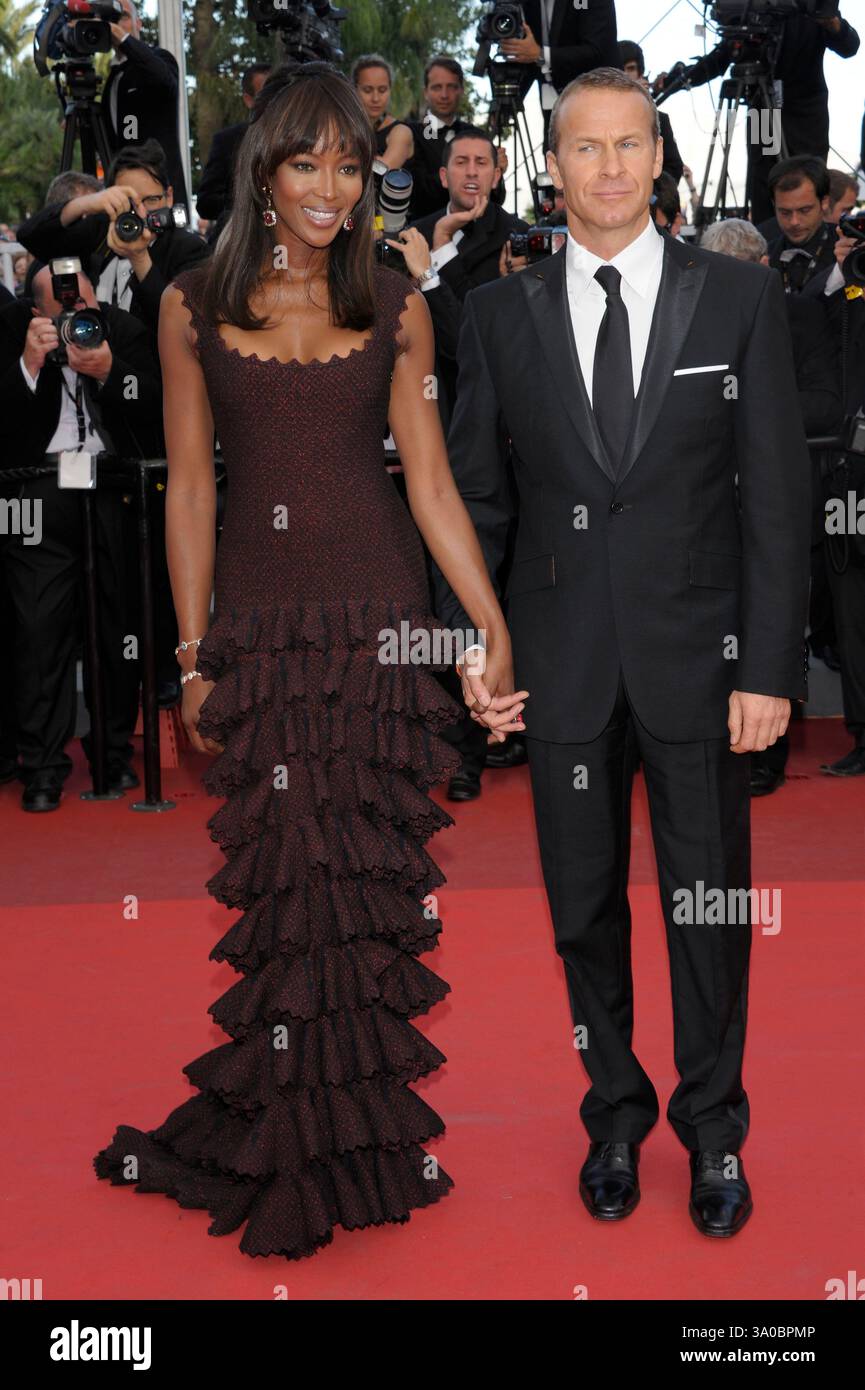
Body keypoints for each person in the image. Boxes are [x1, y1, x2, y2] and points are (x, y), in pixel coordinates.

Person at [92, 62, 526, 1260]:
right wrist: (189, 654)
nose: (331, 187)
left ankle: (361, 1145)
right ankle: (286, 1146)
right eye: (307, 163)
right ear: (265, 171)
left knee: (371, 895)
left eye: (349, 164)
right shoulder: (190, 306)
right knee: (293, 896)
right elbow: (188, 490)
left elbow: (429, 482)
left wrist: (482, 624)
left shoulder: (395, 300)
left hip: (380, 626)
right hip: (263, 636)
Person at [434, 68, 811, 1237]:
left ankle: (714, 1131)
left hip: (703, 659)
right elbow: (479, 507)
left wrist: (768, 671)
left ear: (659, 160)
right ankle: (612, 1111)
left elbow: (777, 498)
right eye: (583, 148)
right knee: (581, 914)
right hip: (560, 666)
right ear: (553, 164)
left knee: (705, 904)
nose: (606, 168)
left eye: (627, 146)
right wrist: (473, 648)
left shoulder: (737, 301)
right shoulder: (496, 319)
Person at [0, 263, 163, 809]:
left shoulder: (123, 331)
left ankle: (111, 753)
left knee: (118, 630)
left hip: (111, 489)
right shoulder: (13, 333)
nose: (78, 315)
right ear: (37, 310)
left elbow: (154, 404)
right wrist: (29, 363)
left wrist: (109, 369)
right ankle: (42, 767)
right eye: (63, 306)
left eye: (85, 302)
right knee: (38, 630)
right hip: (36, 493)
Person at [699, 216, 843, 796]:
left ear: (766, 269)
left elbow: (825, 404)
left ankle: (767, 756)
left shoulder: (801, 316)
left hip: (775, 503)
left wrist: (754, 410)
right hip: (704, 509)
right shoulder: (693, 320)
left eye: (743, 269)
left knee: (777, 624)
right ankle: (706, 742)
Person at [655, 6, 859, 224]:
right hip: (762, 114)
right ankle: (763, 247)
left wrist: (831, 21)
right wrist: (672, 84)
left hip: (805, 124)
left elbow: (849, 45)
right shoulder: (752, 11)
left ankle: (811, 252)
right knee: (764, 187)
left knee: (808, 189)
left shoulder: (807, 8)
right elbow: (722, 57)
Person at [17, 141, 209, 337]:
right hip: (89, 357)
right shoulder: (99, 232)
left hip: (150, 365)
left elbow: (183, 325)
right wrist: (84, 204)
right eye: (129, 202)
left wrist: (140, 259)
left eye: (151, 200)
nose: (141, 213)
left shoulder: (187, 248)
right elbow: (30, 236)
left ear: (169, 197)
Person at [499, 0, 619, 146]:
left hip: (599, 102)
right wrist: (506, 105)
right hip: (553, 110)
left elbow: (597, 50)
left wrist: (541, 55)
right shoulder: (527, 4)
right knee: (554, 155)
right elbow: (528, 57)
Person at [405, 57, 506, 220]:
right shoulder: (410, 134)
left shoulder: (477, 136)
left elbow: (496, 199)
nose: (444, 95)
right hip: (424, 234)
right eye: (437, 87)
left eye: (451, 87)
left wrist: (497, 174)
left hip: (475, 235)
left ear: (461, 90)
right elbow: (417, 195)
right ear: (426, 92)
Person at [196, 62, 271, 233]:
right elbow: (206, 204)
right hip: (242, 240)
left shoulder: (300, 141)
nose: (273, 101)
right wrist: (251, 202)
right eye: (265, 95)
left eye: (279, 93)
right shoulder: (228, 141)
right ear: (248, 100)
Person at [766, 156, 837, 294]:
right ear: (774, 205)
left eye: (804, 210)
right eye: (785, 212)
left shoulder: (848, 253)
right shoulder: (764, 254)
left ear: (824, 202)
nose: (794, 222)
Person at [618, 40, 684, 187]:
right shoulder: (602, 117)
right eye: (621, 69)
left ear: (640, 73)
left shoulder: (660, 119)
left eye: (630, 69)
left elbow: (674, 167)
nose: (626, 75)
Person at [351, 54, 414, 170]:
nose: (376, 98)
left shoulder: (401, 132)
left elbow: (382, 170)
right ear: (354, 89)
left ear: (390, 89)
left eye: (382, 90)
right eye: (367, 90)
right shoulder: (346, 127)